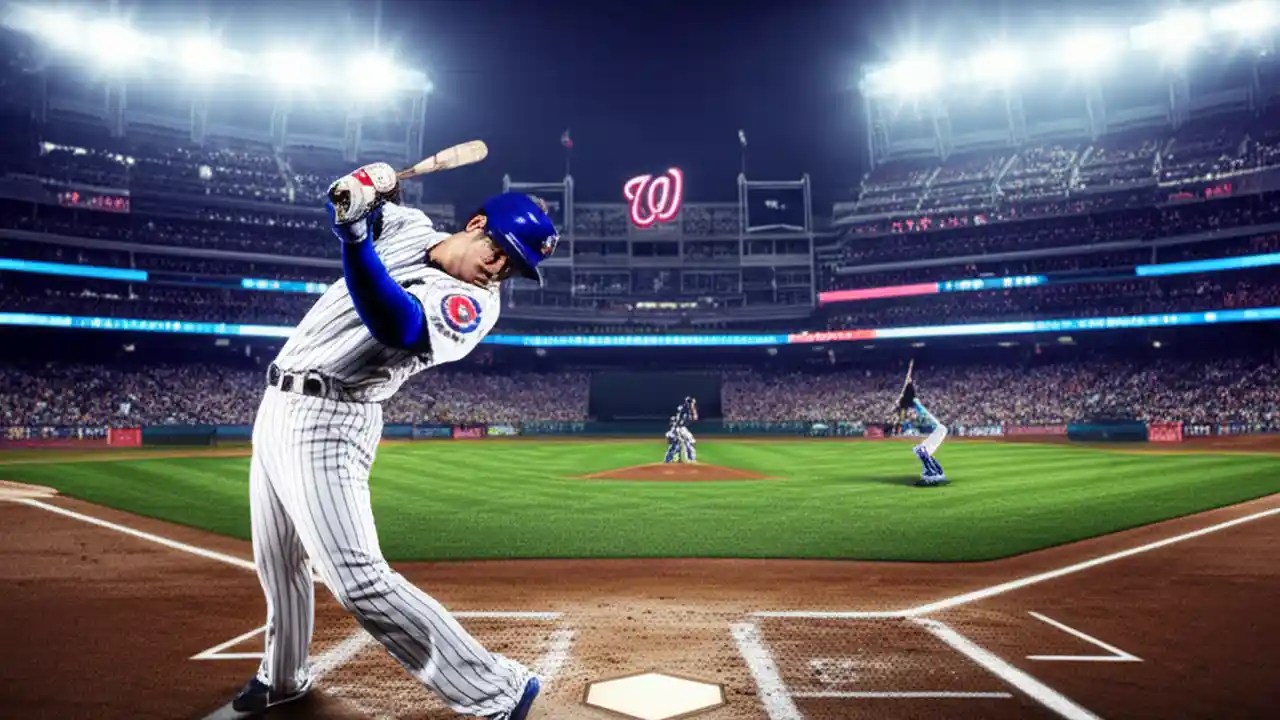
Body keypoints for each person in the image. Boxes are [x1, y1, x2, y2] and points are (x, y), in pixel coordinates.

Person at [231, 161, 554, 719]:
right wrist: (368, 185)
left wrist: (355, 237)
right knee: (278, 562)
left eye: (513, 268)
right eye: (499, 252)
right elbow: (357, 203)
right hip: (277, 404)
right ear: (476, 224)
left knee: (358, 580)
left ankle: (496, 691)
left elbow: (395, 323)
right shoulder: (411, 228)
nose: (499, 270)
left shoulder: (475, 304)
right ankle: (283, 676)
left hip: (332, 420)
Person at [896, 365, 948, 487]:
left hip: (938, 430)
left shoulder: (915, 404)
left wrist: (909, 384)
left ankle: (932, 473)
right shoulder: (914, 407)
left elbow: (909, 396)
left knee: (921, 450)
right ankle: (937, 472)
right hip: (938, 430)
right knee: (923, 451)